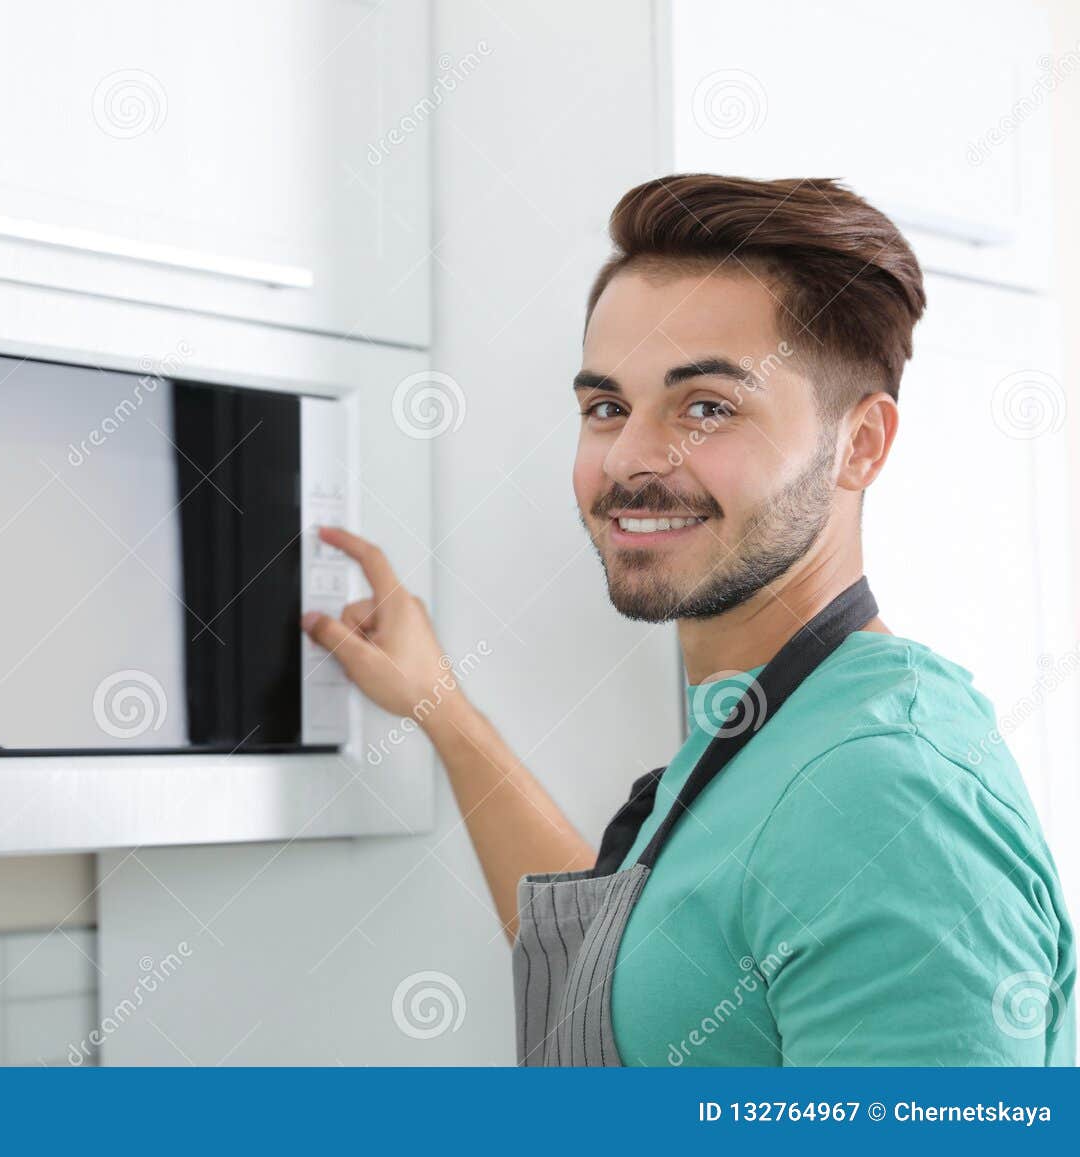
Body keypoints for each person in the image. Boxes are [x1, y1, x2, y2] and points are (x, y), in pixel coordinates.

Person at [301, 173, 1074, 1066]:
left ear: (860, 444)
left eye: (707, 407)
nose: (630, 459)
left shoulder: (891, 802)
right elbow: (634, 977)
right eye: (607, 408)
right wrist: (442, 706)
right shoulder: (770, 720)